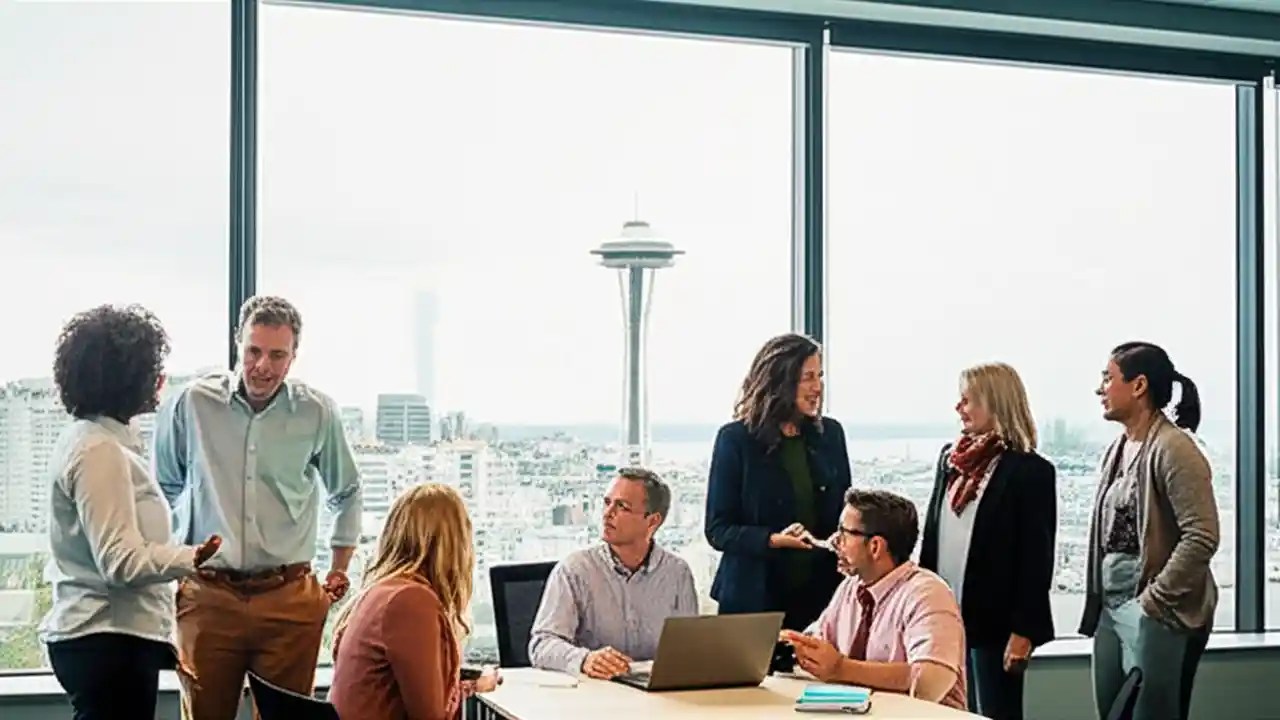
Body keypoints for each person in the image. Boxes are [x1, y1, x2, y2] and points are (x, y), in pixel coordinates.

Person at [153, 295, 363, 719]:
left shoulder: (316, 412)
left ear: (293, 357)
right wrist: (176, 570)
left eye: (277, 355)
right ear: (237, 344)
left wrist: (339, 568)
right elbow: (164, 486)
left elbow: (349, 491)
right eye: (253, 351)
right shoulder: (193, 404)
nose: (263, 366)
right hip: (209, 598)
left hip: (288, 599)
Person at [39, 305, 221, 720]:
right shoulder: (98, 451)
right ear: (128, 377)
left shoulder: (100, 440)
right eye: (152, 367)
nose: (160, 377)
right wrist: (191, 558)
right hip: (105, 638)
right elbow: (120, 562)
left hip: (107, 640)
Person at [1081, 342, 1218, 720]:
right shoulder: (1117, 449)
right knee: (1112, 712)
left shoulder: (1175, 449)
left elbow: (1202, 536)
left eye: (1108, 378)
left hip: (1159, 612)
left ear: (1138, 385)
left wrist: (1152, 602)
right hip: (1113, 606)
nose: (1100, 389)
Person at [705, 333, 852, 671]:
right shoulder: (736, 440)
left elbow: (845, 513)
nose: (818, 387)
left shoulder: (831, 435)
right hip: (752, 601)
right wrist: (773, 539)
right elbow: (718, 529)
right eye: (808, 377)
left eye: (820, 376)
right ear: (781, 380)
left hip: (819, 599)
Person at [918, 362, 1057, 720]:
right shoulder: (950, 460)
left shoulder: (1030, 473)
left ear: (996, 403)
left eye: (968, 400)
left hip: (994, 627)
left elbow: (1036, 559)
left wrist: (1025, 630)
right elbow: (933, 539)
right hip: (945, 620)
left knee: (995, 712)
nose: (958, 408)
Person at [780, 489, 967, 710]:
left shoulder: (927, 593)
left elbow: (931, 681)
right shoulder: (851, 587)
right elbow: (818, 641)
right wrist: (786, 643)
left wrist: (843, 669)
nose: (834, 541)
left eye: (844, 533)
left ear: (876, 546)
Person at [329, 483, 499, 719]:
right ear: (454, 545)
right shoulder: (410, 602)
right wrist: (475, 686)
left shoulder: (381, 592)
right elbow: (431, 716)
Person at [529, 468, 697, 678]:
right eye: (607, 503)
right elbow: (541, 646)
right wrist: (585, 659)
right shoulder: (575, 570)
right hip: (593, 698)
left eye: (622, 507)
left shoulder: (677, 574)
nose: (608, 514)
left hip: (657, 698)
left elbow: (688, 654)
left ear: (653, 521)